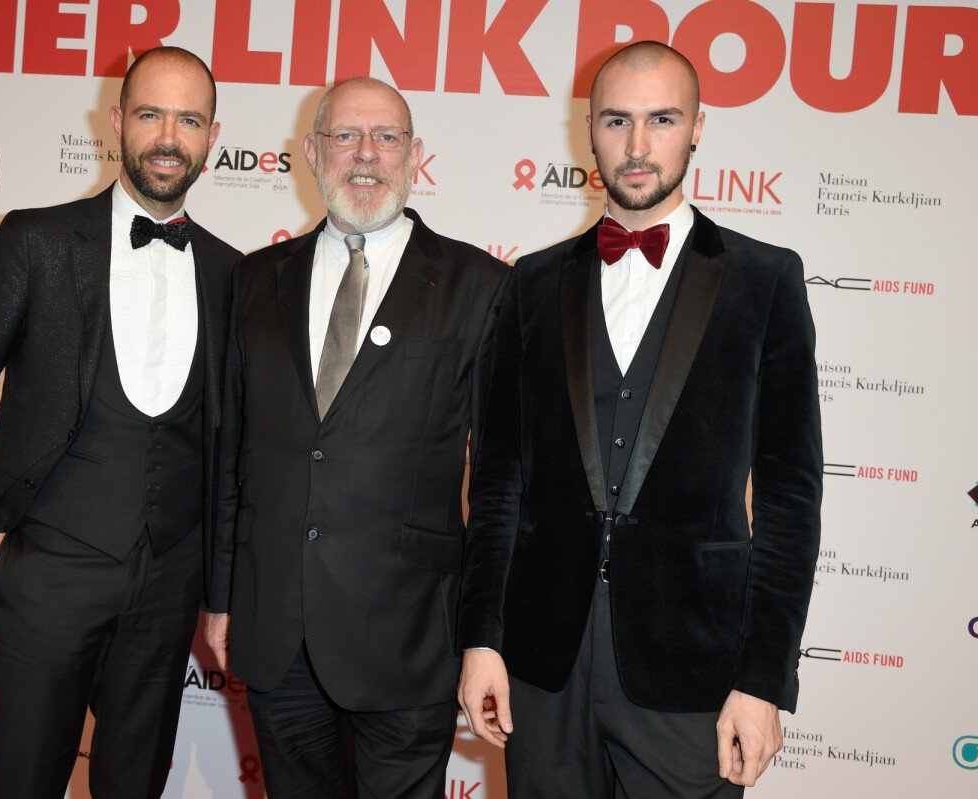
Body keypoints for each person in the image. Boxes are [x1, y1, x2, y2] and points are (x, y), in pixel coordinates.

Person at [457, 41, 822, 797]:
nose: (636, 146)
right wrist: (482, 639)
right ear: (588, 129)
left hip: (694, 671)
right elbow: (498, 484)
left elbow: (790, 500)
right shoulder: (530, 284)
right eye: (617, 120)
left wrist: (763, 679)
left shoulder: (766, 280)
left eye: (662, 119)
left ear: (697, 128)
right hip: (542, 668)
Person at [0, 47, 239, 799]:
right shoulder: (35, 241)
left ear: (213, 137)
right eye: (151, 114)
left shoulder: (234, 273)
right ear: (117, 121)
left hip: (168, 588)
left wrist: (219, 586)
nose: (169, 137)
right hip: (47, 573)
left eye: (189, 120)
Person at [204, 76, 508, 798]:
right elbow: (230, 455)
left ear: (415, 154)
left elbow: (501, 486)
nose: (366, 154)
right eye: (345, 135)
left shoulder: (479, 285)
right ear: (313, 153)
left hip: (411, 638)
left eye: (387, 137)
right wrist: (220, 596)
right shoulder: (254, 279)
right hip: (278, 632)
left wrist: (484, 636)